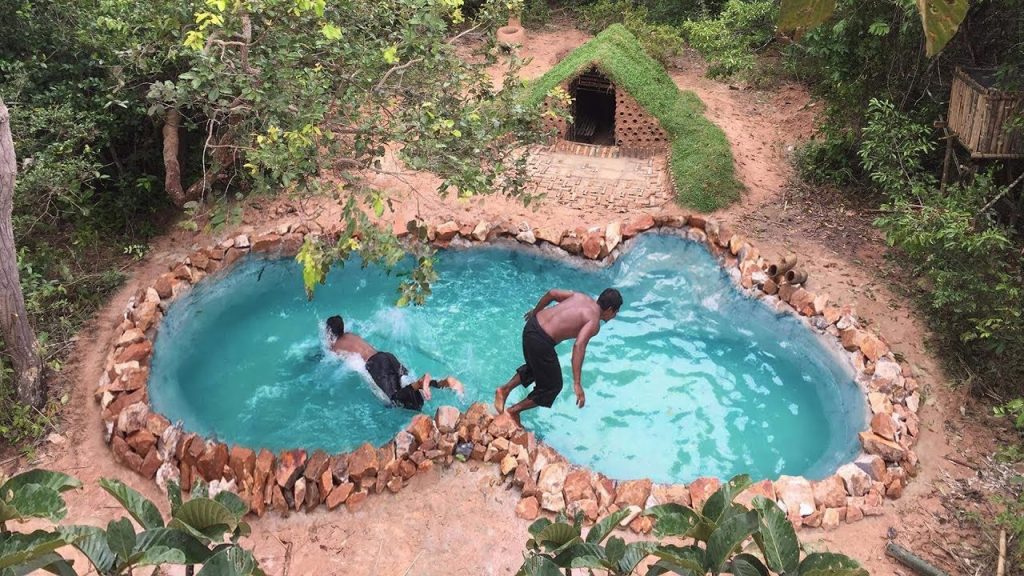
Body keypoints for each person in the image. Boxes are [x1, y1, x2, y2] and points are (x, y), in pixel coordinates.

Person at [494, 288, 622, 425]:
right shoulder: (594, 322)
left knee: (537, 368)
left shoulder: (581, 297)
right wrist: (577, 383)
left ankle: (504, 390)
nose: (615, 316)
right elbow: (579, 346)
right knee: (553, 386)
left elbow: (552, 293)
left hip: (532, 326)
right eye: (616, 312)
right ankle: (512, 412)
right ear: (609, 309)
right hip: (541, 341)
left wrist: (535, 312)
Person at [326, 315, 463, 411]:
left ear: (330, 332)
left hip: (376, 364)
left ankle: (420, 382)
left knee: (394, 399)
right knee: (406, 384)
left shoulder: (335, 345)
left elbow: (331, 358)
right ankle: (442, 383)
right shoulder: (350, 335)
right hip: (387, 356)